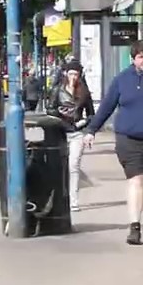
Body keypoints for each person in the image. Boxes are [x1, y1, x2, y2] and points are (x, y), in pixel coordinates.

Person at [84, 41, 143, 245]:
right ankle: (135, 226)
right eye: (141, 57)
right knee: (137, 180)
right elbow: (107, 106)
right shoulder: (122, 80)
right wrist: (91, 130)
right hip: (129, 139)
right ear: (133, 59)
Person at [46, 59, 95, 211]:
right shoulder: (57, 90)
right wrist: (61, 113)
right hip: (60, 132)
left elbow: (92, 114)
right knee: (59, 166)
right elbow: (49, 109)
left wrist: (84, 122)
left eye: (76, 74)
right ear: (66, 74)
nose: (73, 77)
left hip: (77, 133)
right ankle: (59, 196)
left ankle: (73, 200)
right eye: (71, 73)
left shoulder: (84, 92)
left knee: (74, 166)